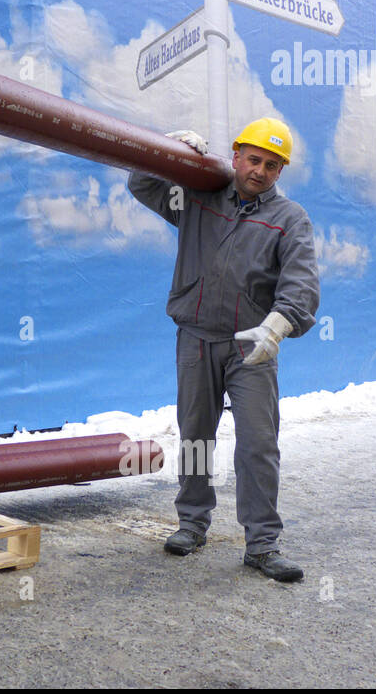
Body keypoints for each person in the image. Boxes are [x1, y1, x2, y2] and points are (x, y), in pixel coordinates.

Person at [127, 118, 319, 583]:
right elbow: (142, 184)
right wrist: (168, 149)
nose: (259, 171)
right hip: (196, 337)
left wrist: (274, 329)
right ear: (236, 155)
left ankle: (262, 544)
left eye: (272, 166)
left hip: (252, 347)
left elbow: (302, 287)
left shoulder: (289, 219)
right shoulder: (198, 197)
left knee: (258, 444)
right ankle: (191, 524)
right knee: (195, 435)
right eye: (253, 159)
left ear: (280, 172)